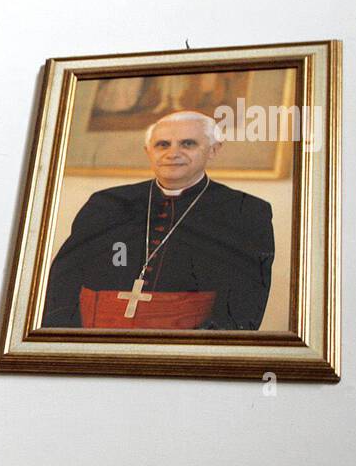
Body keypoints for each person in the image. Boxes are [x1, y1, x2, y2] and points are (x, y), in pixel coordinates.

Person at [42, 110, 275, 330]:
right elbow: (65, 276)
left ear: (213, 150)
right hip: (95, 340)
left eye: (188, 143)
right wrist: (64, 339)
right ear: (148, 151)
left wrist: (200, 351)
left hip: (187, 350)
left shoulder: (246, 211)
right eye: (162, 144)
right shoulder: (106, 203)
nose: (172, 153)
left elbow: (247, 297)